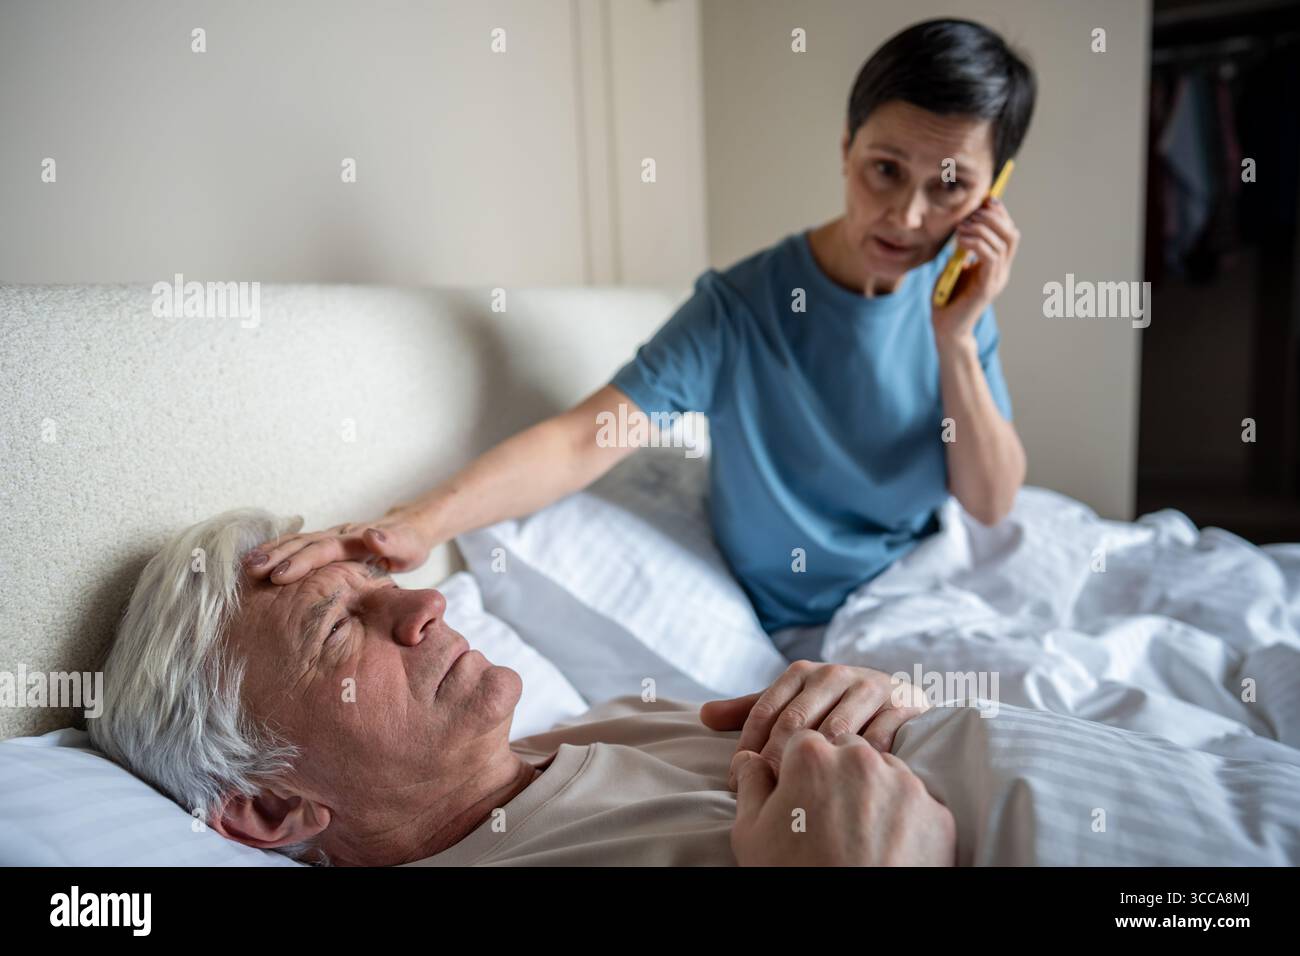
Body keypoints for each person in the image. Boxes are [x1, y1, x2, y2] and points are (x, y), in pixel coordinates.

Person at [244, 17, 1035, 662]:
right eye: (885, 169)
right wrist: (416, 523)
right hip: (822, 625)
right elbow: (582, 438)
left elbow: (991, 502)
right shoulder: (741, 309)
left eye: (951, 186)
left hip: (925, 581)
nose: (906, 217)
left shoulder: (956, 299)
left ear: (992, 192)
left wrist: (957, 341)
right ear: (845, 148)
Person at [87, 508, 955, 866]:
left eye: (374, 582)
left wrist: (891, 710)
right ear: (272, 808)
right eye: (337, 629)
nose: (426, 601)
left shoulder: (611, 725)